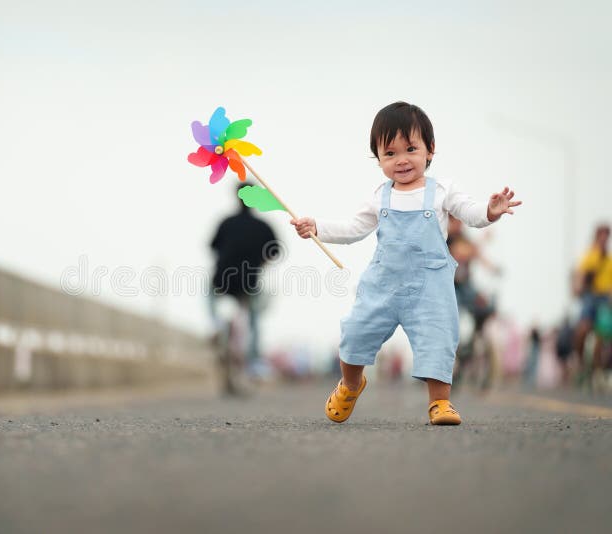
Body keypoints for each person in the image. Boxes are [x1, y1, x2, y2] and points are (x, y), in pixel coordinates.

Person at [290, 101, 522, 425]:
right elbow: (354, 228)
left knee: (438, 339)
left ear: (430, 150)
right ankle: (351, 383)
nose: (401, 160)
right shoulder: (379, 196)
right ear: (378, 158)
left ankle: (440, 402)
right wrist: (318, 228)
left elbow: (469, 211)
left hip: (430, 288)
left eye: (411, 149)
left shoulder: (442, 191)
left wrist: (489, 211)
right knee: (355, 332)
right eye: (390, 153)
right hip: (383, 285)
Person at [209, 182, 280, 388]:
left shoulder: (226, 223)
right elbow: (275, 252)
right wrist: (259, 262)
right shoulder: (263, 227)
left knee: (209, 297)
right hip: (249, 281)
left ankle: (214, 325)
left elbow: (213, 246)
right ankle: (254, 361)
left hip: (222, 278)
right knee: (254, 320)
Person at [573, 224, 611, 370]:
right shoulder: (590, 255)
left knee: (601, 335)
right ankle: (580, 360)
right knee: (583, 329)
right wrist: (577, 287)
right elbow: (580, 274)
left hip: (603, 298)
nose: (604, 239)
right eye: (602, 236)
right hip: (590, 296)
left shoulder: (609, 260)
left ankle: (596, 368)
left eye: (606, 236)